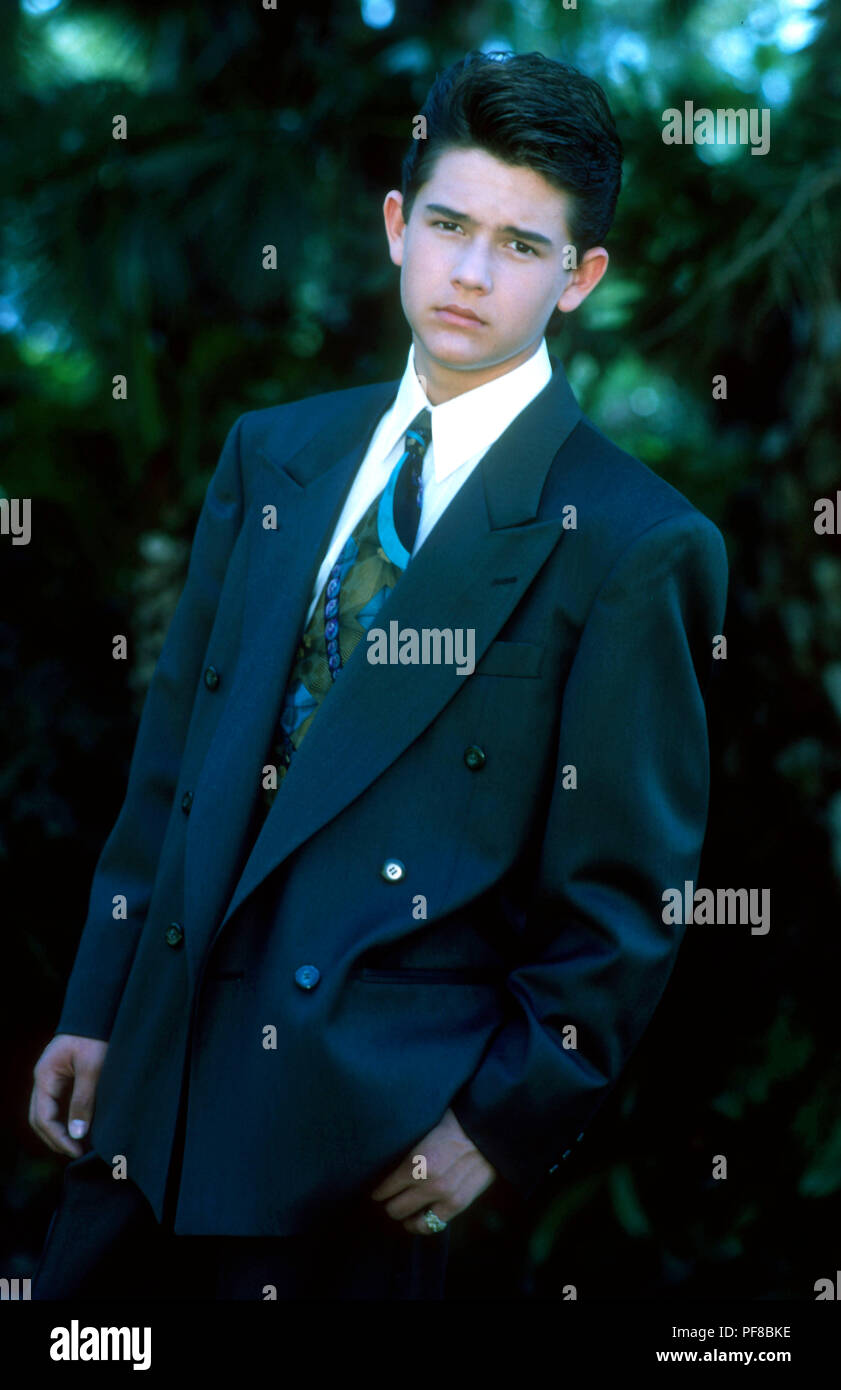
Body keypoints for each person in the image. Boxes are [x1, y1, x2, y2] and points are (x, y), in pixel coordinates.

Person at [28, 49, 728, 1301]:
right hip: (147, 1094)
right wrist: (95, 1005)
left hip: (360, 1148)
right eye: (450, 224)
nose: (470, 272)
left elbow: (624, 902)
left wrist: (501, 1124)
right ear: (397, 225)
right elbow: (173, 770)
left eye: (521, 246)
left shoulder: (634, 543)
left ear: (580, 280)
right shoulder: (271, 456)